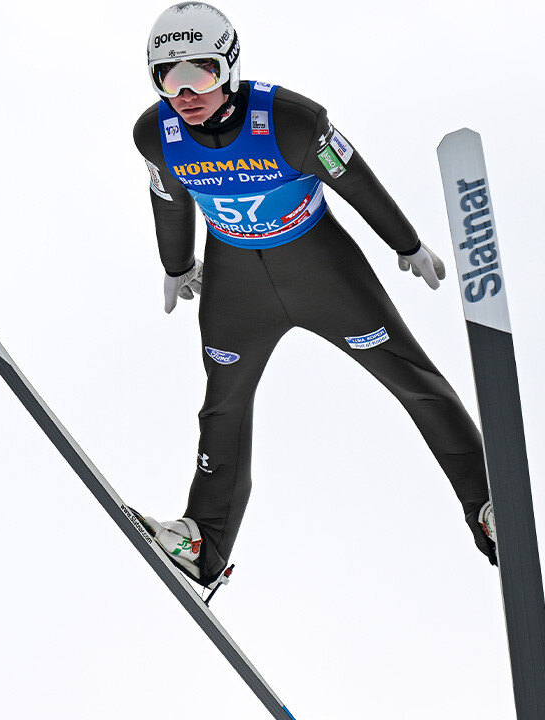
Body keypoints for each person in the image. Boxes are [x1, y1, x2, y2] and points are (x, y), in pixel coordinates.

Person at [133, 2, 496, 588]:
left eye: (197, 73)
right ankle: (202, 542)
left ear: (227, 67)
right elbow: (170, 197)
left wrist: (404, 243)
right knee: (223, 405)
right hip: (236, 287)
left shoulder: (290, 120)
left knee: (412, 379)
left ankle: (488, 509)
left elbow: (352, 176)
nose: (183, 92)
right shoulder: (156, 134)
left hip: (321, 270)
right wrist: (176, 264)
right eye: (166, 77)